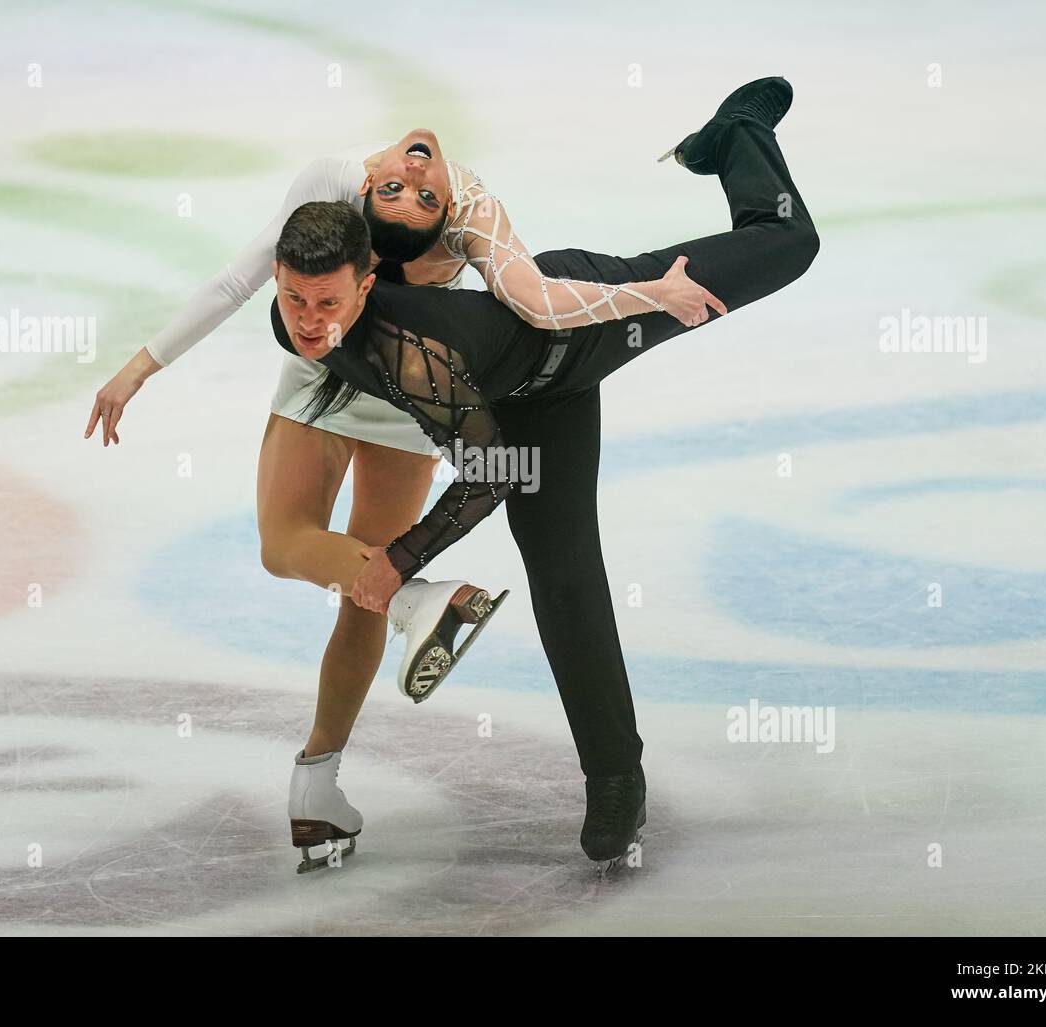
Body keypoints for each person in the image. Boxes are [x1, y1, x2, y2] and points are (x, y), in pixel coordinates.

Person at [86, 131, 714, 873]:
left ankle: (317, 786)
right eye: (397, 172)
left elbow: (533, 304)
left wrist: (644, 304)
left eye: (425, 186)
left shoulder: (465, 206)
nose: (412, 177)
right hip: (322, 359)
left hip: (405, 386)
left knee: (359, 587)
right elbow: (241, 280)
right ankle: (420, 602)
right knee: (287, 542)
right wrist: (139, 368)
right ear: (374, 164)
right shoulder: (329, 181)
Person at [267, 78, 818, 873]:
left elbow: (490, 470)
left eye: (326, 302)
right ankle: (617, 778)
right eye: (293, 301)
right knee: (563, 572)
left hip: (586, 324)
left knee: (788, 243)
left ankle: (737, 137)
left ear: (364, 285)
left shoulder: (407, 349)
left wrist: (399, 558)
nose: (309, 322)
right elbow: (491, 454)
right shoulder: (304, 313)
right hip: (520, 396)